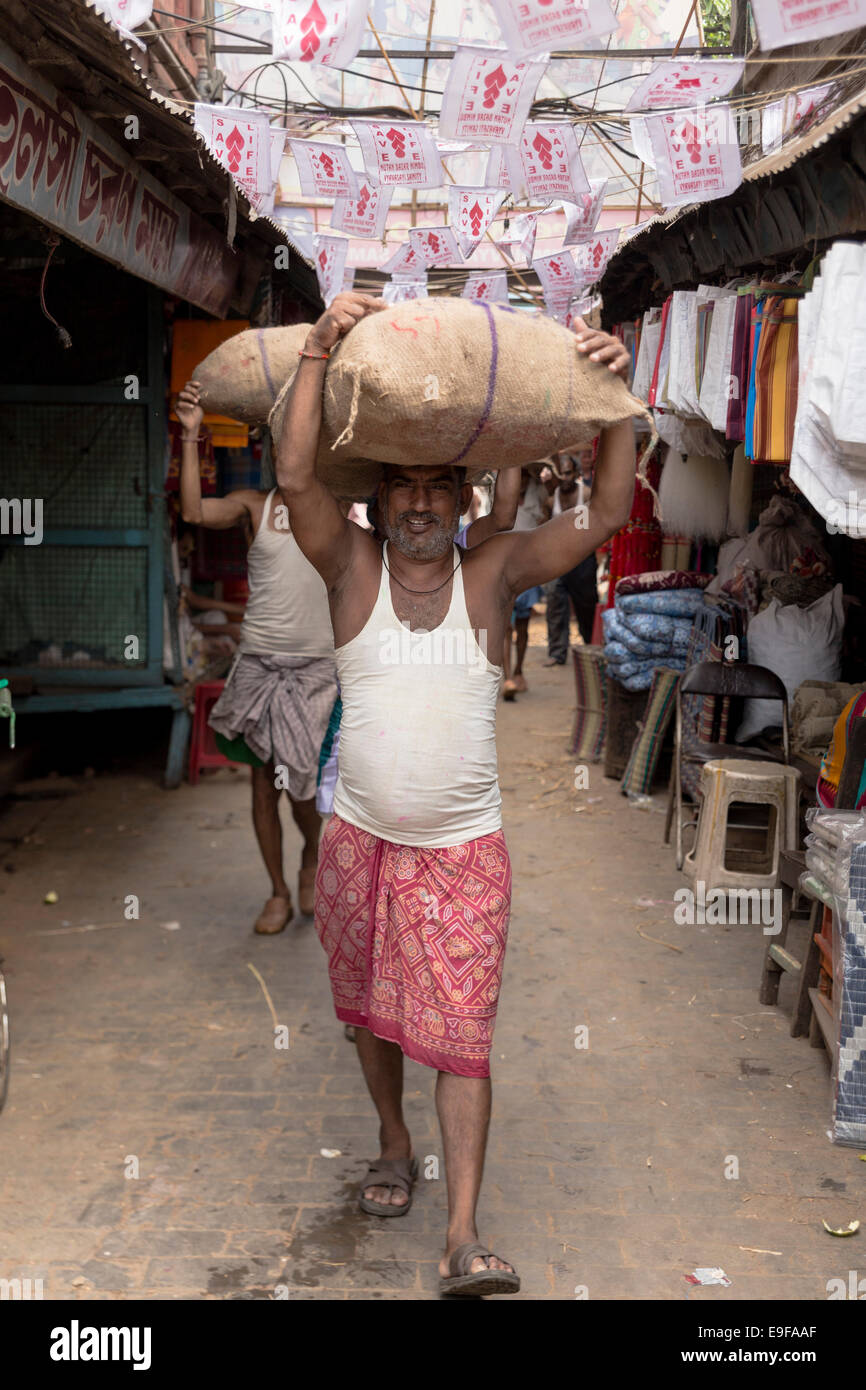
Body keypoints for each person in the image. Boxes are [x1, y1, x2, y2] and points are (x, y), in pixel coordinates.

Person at [274, 291, 635, 1297]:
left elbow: (606, 513)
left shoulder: (494, 576)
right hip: (358, 842)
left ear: (465, 502)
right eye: (406, 489)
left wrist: (611, 396)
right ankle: (390, 1139)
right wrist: (316, 347)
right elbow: (294, 471)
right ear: (379, 504)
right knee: (372, 1019)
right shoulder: (348, 569)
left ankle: (462, 1234)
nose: (423, 503)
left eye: (441, 487)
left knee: (462, 1035)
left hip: (466, 851)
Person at [176, 381, 339, 935]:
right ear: (272, 451)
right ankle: (276, 893)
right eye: (279, 442)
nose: (287, 451)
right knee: (260, 781)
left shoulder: (339, 511)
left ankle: (311, 857)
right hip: (259, 664)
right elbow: (195, 511)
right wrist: (193, 433)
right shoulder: (255, 505)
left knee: (302, 785)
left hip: (317, 669)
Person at [543, 450, 599, 664]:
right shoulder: (551, 501)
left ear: (576, 473)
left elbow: (593, 526)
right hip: (557, 561)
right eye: (561, 474)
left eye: (568, 473)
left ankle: (590, 648)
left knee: (586, 606)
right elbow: (545, 528)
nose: (565, 478)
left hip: (582, 560)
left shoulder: (585, 495)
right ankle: (557, 653)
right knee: (555, 606)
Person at [502, 467, 551, 701]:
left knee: (522, 626)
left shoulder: (538, 495)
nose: (520, 481)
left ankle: (519, 671)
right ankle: (507, 678)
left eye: (524, 476)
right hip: (504, 569)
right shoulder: (500, 496)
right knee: (505, 627)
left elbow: (557, 485)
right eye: (517, 475)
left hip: (529, 571)